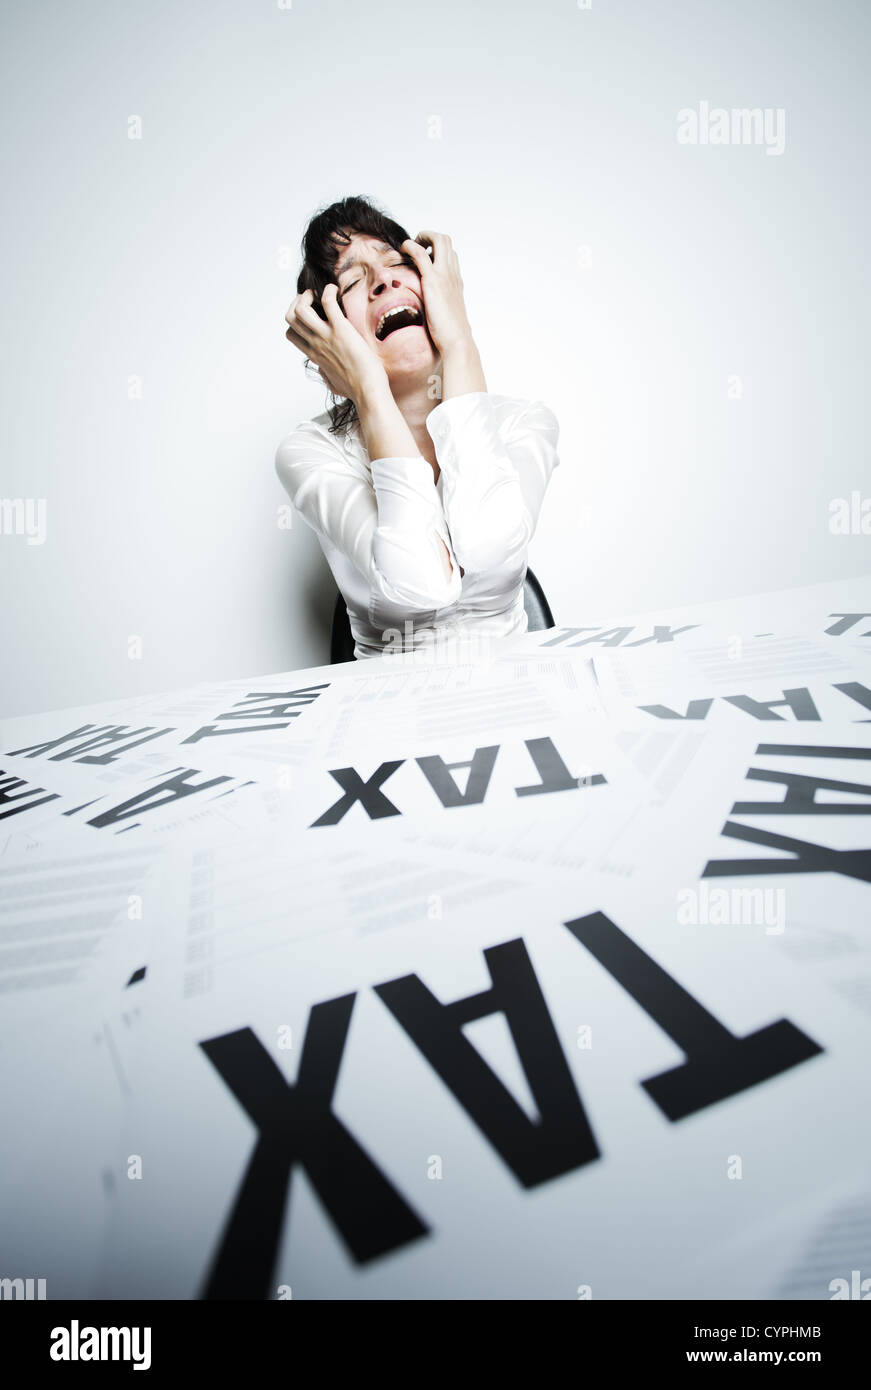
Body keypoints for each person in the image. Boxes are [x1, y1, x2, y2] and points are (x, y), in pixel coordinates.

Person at [275, 195, 560, 661]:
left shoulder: (523, 423)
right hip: (383, 703)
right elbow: (422, 585)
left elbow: (486, 547)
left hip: (517, 692)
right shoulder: (309, 451)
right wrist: (369, 390)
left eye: (396, 263)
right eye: (352, 282)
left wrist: (460, 342)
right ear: (330, 340)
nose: (383, 280)